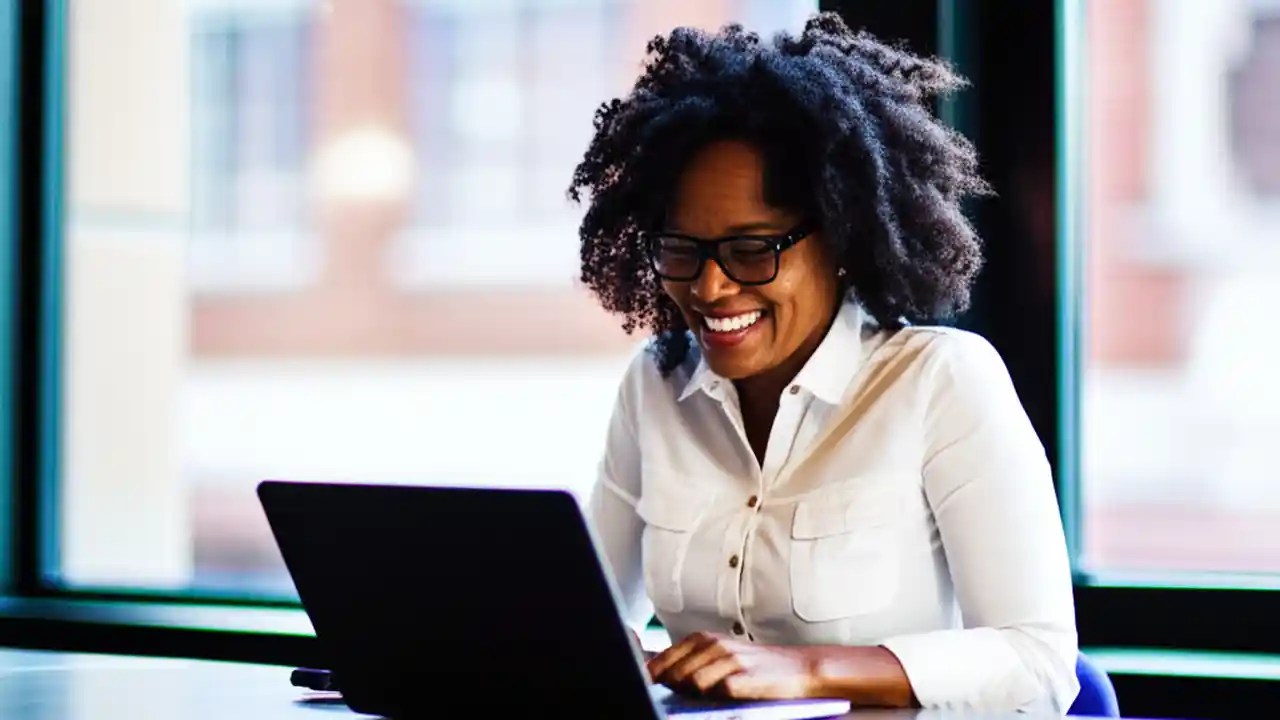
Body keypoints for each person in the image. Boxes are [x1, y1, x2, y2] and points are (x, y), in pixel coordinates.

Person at [568, 12, 1078, 714]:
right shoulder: (654, 386)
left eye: (751, 250)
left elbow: (1037, 663)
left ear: (840, 239)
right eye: (681, 249)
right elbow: (590, 615)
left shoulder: (939, 381)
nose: (709, 287)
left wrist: (804, 670)